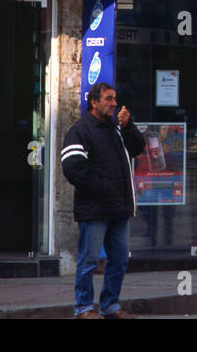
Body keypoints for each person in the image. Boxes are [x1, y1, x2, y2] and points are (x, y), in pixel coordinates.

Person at [61, 81, 145, 319]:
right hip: (95, 209)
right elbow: (73, 168)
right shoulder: (79, 130)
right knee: (88, 261)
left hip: (119, 209)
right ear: (94, 102)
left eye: (114, 98)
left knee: (118, 261)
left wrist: (128, 126)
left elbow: (137, 147)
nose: (114, 103)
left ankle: (110, 305)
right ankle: (84, 307)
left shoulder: (115, 128)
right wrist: (104, 187)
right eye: (108, 99)